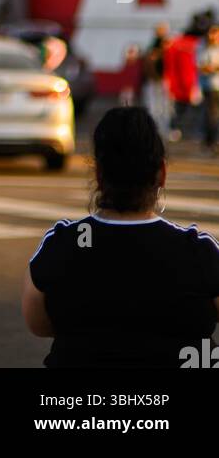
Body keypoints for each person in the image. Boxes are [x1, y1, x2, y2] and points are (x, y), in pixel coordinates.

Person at [22, 106, 219, 367]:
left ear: (99, 176)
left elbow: (38, 323)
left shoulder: (60, 245)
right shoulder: (199, 252)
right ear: (161, 173)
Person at [165, 28, 200, 141]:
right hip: (192, 84)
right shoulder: (196, 45)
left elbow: (170, 66)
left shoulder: (174, 45)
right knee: (191, 110)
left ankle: (177, 130)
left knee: (179, 109)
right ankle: (188, 131)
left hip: (179, 85)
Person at [141, 23, 171, 139]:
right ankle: (154, 128)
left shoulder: (168, 44)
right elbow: (148, 61)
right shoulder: (153, 44)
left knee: (165, 106)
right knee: (153, 106)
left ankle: (164, 129)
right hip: (154, 79)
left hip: (164, 79)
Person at [198, 24, 219, 153]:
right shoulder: (203, 48)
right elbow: (202, 67)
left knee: (213, 115)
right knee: (211, 115)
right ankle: (211, 141)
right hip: (210, 87)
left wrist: (212, 68)